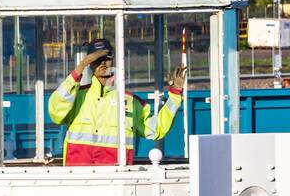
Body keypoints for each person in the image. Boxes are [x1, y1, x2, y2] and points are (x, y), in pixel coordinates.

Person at [48, 37, 186, 166]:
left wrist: (175, 95)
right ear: (89, 64)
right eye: (96, 59)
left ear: (113, 60)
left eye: (106, 57)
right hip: (77, 177)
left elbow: (156, 129)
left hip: (116, 178)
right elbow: (55, 112)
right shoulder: (76, 96)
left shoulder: (130, 101)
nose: (102, 62)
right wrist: (80, 67)